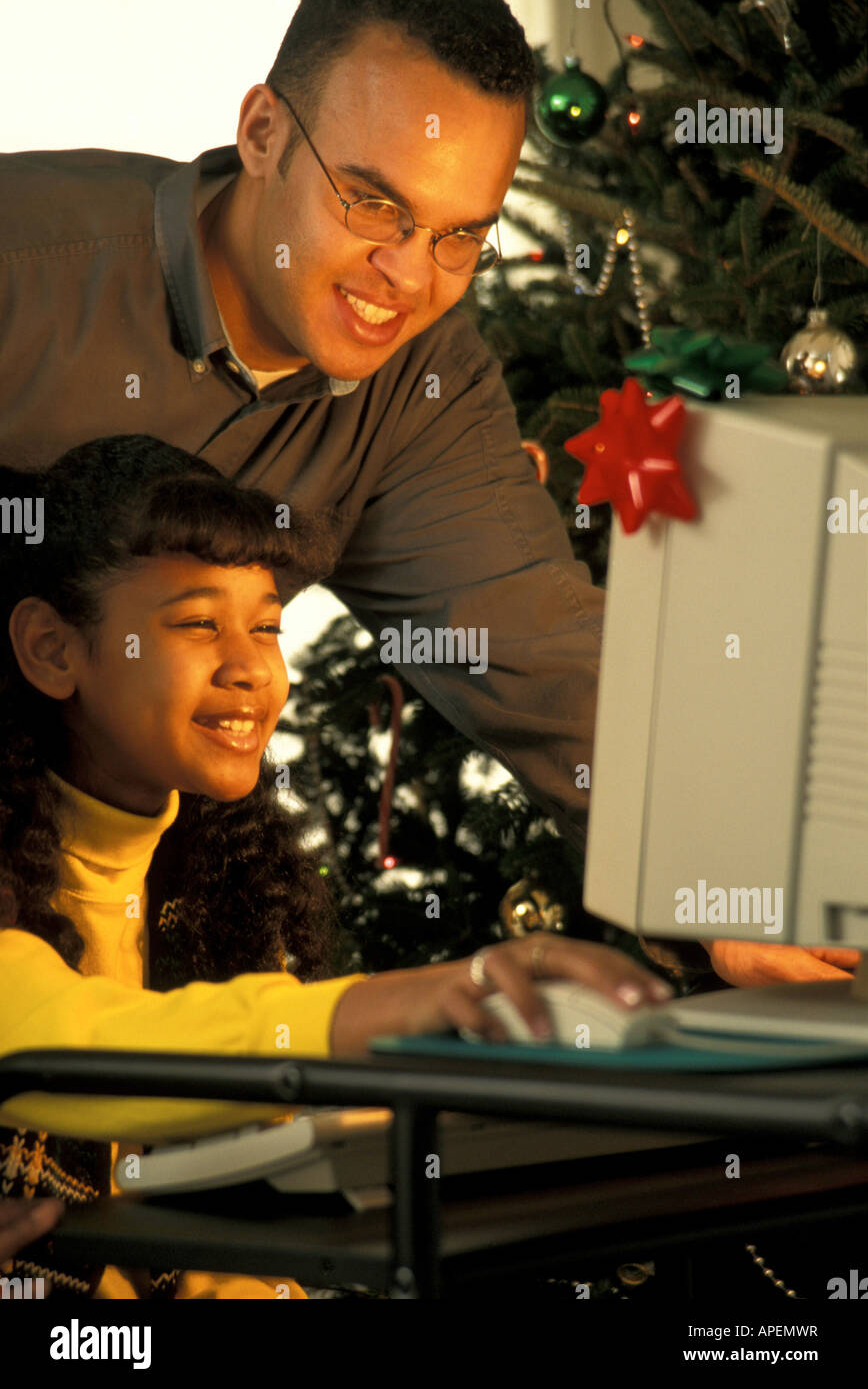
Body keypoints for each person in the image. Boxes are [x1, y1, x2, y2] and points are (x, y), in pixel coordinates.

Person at [0, 5, 849, 1012]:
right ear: (263, 131)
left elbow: (542, 653)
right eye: (371, 204)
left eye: (460, 236)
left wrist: (743, 881)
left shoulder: (423, 391)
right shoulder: (25, 268)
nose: (407, 277)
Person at [0, 435, 673, 1300]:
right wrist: (439, 995)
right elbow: (58, 1040)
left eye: (268, 626)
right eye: (199, 623)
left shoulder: (231, 881)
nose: (251, 670)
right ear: (53, 650)